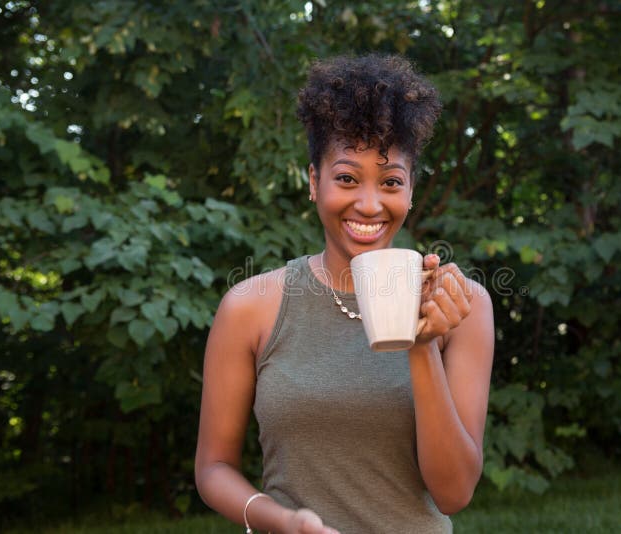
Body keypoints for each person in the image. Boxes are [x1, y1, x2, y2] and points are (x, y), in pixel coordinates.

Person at [194, 54, 494, 534]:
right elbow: (213, 469)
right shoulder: (250, 308)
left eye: (391, 181)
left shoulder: (463, 306)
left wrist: (420, 344)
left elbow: (453, 493)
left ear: (411, 190)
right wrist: (285, 522)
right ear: (314, 182)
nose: (370, 204)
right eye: (347, 178)